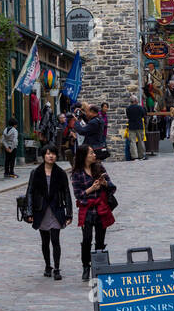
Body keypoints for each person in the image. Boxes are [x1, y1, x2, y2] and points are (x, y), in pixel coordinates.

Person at [24, 144, 73, 280]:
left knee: (55, 240)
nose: (51, 156)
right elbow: (30, 192)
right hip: (41, 209)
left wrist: (69, 213)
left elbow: (67, 193)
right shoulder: (36, 172)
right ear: (43, 155)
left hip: (56, 208)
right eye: (48, 153)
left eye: (53, 153)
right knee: (45, 241)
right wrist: (29, 212)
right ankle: (47, 266)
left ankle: (57, 268)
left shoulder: (60, 173)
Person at [71, 145, 116, 281]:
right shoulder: (77, 174)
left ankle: (99, 265)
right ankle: (86, 265)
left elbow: (112, 187)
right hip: (87, 209)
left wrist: (104, 184)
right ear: (84, 156)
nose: (94, 155)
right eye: (91, 153)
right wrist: (91, 189)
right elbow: (78, 195)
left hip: (101, 208)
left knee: (100, 239)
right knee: (86, 239)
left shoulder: (99, 168)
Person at [125, 96, 146, 160]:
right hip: (139, 126)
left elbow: (128, 116)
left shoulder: (128, 108)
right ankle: (141, 156)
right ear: (135, 101)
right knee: (140, 141)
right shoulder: (139, 107)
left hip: (131, 126)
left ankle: (134, 157)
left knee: (132, 142)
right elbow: (143, 115)